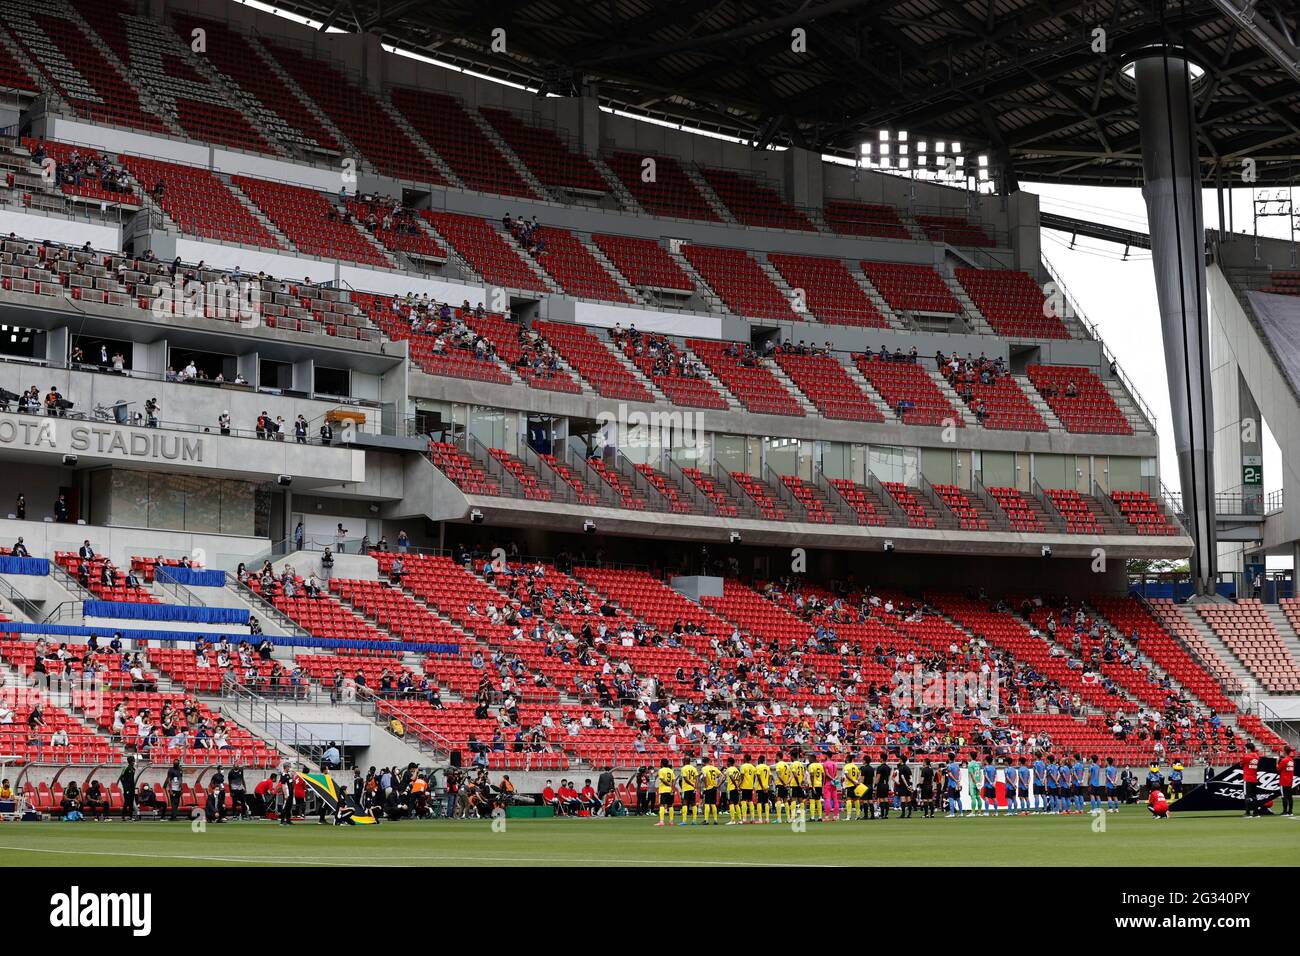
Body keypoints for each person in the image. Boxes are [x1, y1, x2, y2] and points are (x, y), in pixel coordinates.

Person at [654, 757, 676, 827]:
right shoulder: (671, 770)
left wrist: (669, 785)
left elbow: (663, 780)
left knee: (662, 805)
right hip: (670, 790)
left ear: (662, 763)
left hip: (663, 790)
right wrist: (672, 787)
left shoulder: (661, 770)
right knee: (670, 805)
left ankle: (661, 821)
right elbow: (674, 780)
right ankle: (671, 821)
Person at [1242, 742, 1261, 818]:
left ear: (1249, 749)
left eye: (1246, 749)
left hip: (1247, 778)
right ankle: (1256, 813)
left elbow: (1241, 764)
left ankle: (1247, 813)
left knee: (1247, 796)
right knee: (1254, 796)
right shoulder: (1257, 757)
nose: (1245, 750)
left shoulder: (1246, 756)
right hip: (1254, 778)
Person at [1279, 746, 1295, 817]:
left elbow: (1278, 768)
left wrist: (1277, 762)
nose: (1282, 751)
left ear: (1285, 751)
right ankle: (1290, 811)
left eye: (1283, 750)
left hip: (1283, 781)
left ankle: (1285, 812)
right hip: (1290, 781)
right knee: (1290, 797)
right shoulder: (1291, 760)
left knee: (1284, 797)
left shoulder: (1284, 760)